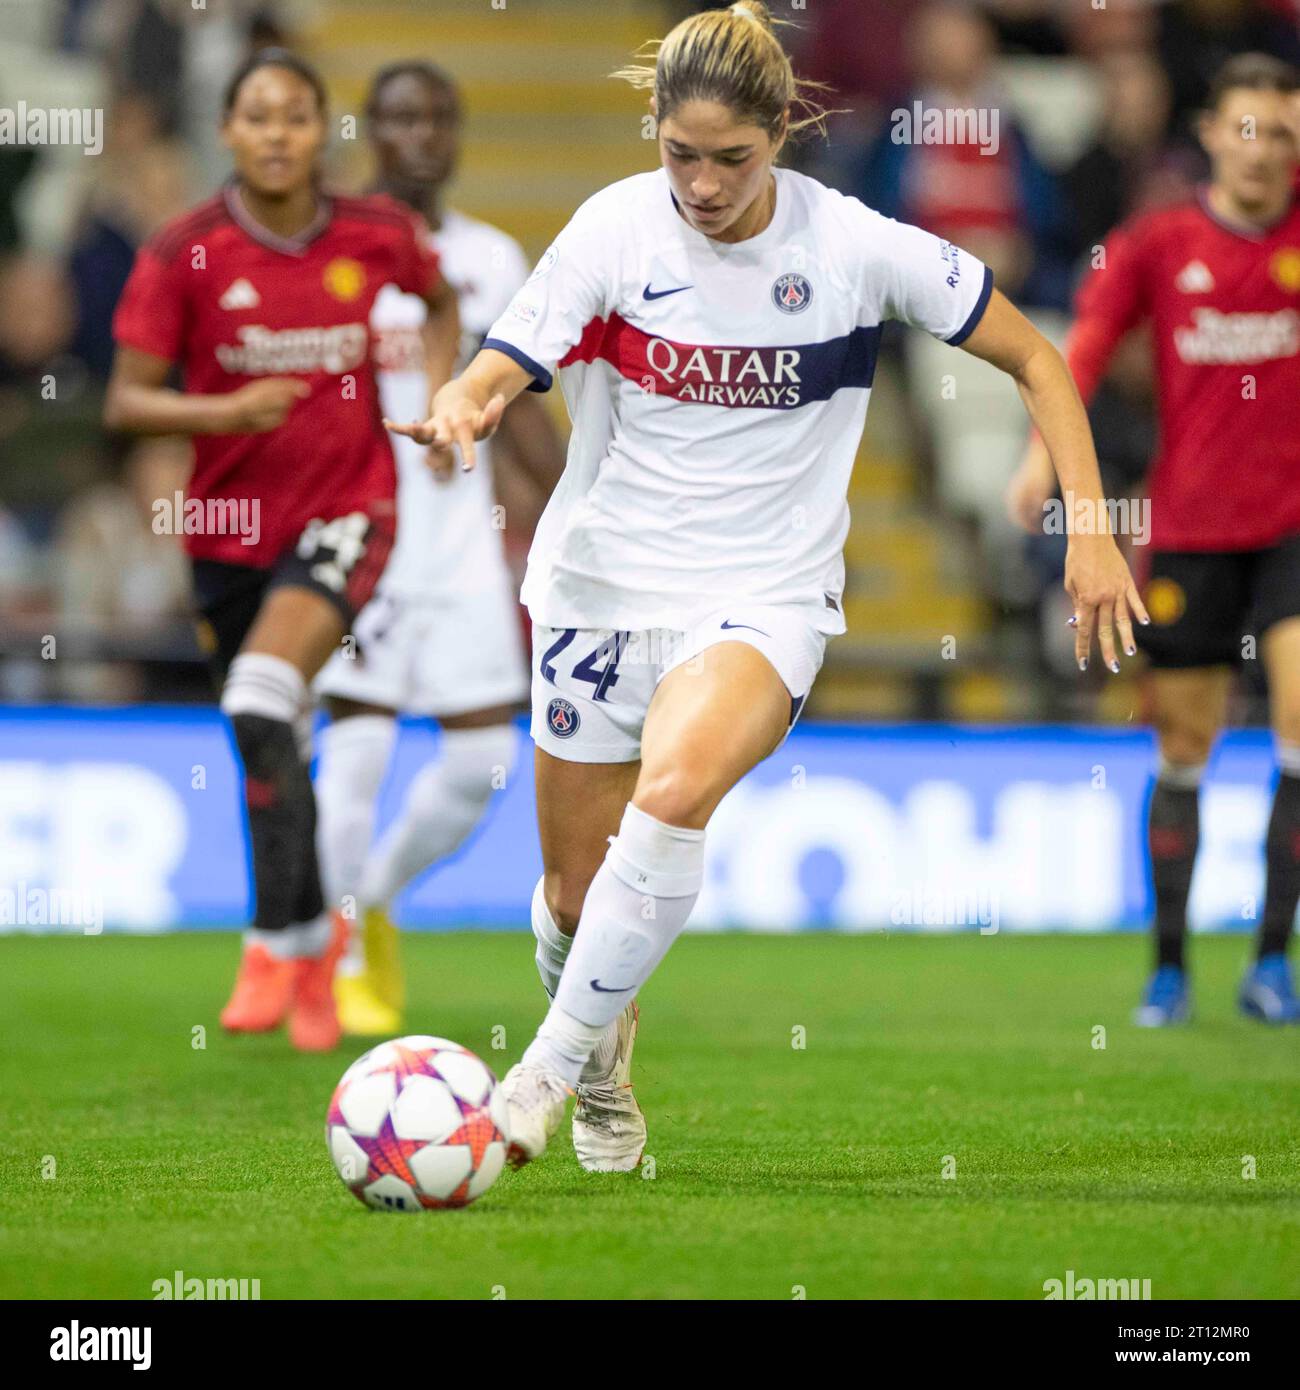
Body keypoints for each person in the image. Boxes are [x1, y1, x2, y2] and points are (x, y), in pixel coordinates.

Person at [393, 0, 1144, 1170]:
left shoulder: (853, 246)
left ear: (783, 130)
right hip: (598, 590)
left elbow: (1036, 357)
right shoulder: (612, 231)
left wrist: (1089, 529)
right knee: (574, 901)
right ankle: (601, 1052)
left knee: (678, 785)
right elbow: (503, 360)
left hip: (763, 595)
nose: (698, 182)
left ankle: (539, 1076)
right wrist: (460, 404)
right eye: (677, 153)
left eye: (729, 159)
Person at [104, 48, 459, 1051]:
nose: (275, 134)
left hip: (348, 510)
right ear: (227, 130)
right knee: (266, 729)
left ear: (320, 132)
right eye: (256, 116)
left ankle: (276, 940)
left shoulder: (376, 233)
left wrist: (438, 395)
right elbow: (125, 401)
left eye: (295, 116)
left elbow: (438, 304)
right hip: (225, 529)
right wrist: (225, 408)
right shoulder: (185, 252)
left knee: (261, 696)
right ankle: (312, 947)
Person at [1007, 54, 1300, 1026]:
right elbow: (1078, 350)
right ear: (1211, 135)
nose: (1265, 155)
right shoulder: (1155, 243)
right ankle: (1169, 967)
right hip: (1189, 534)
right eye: (1249, 130)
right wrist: (1040, 459)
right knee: (1184, 746)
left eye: (1285, 136)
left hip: (1291, 532)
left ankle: (1269, 963)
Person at [313, 61, 565, 1038]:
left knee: (480, 763)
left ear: (456, 132)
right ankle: (337, 950)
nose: (420, 135)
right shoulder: (334, 247)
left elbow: (526, 412)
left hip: (464, 545)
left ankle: (371, 896)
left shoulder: (495, 260)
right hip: (362, 533)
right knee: (359, 747)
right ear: (370, 131)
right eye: (399, 118)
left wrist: (569, 507)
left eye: (437, 118)